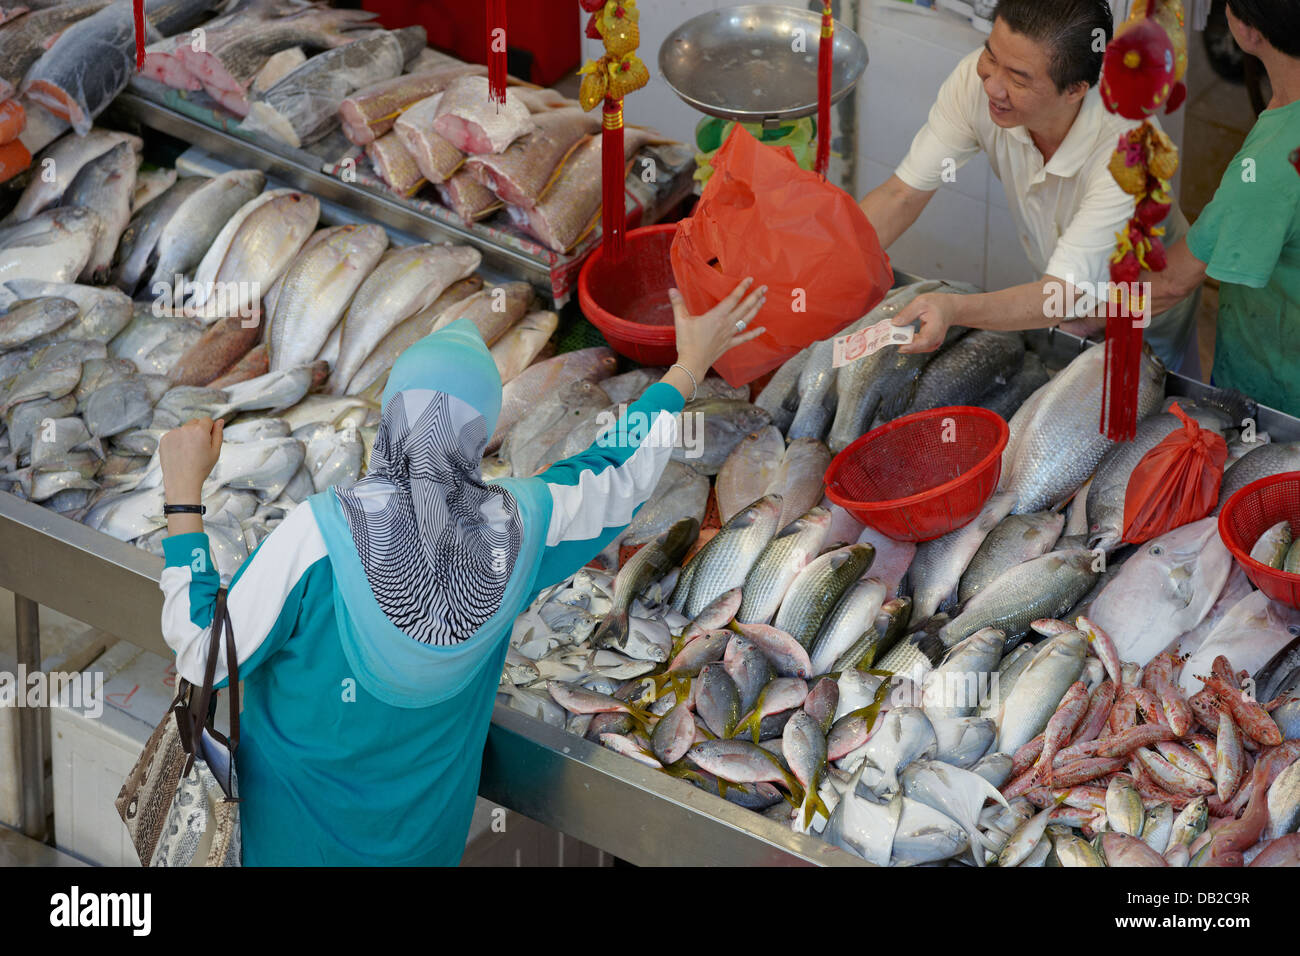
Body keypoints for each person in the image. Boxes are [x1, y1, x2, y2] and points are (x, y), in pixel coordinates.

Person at [155, 279, 766, 866]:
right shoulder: (519, 526)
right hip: (423, 851)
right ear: (479, 435)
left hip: (289, 847)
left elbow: (202, 647)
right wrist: (688, 366)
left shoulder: (318, 536)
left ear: (391, 417)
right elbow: (617, 469)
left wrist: (184, 495)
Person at [861, 0, 1200, 371]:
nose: (992, 86)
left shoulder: (1131, 149)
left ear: (1075, 89)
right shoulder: (975, 83)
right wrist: (828, 269)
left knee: (1147, 404)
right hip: (1058, 290)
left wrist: (954, 308)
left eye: (1019, 79)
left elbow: (1060, 296)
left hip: (1142, 307)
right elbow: (901, 195)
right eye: (990, 57)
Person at [1071, 0, 1299, 413]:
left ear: (1249, 32)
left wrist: (1086, 317)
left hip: (1279, 392)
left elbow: (1175, 280)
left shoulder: (1268, 170)